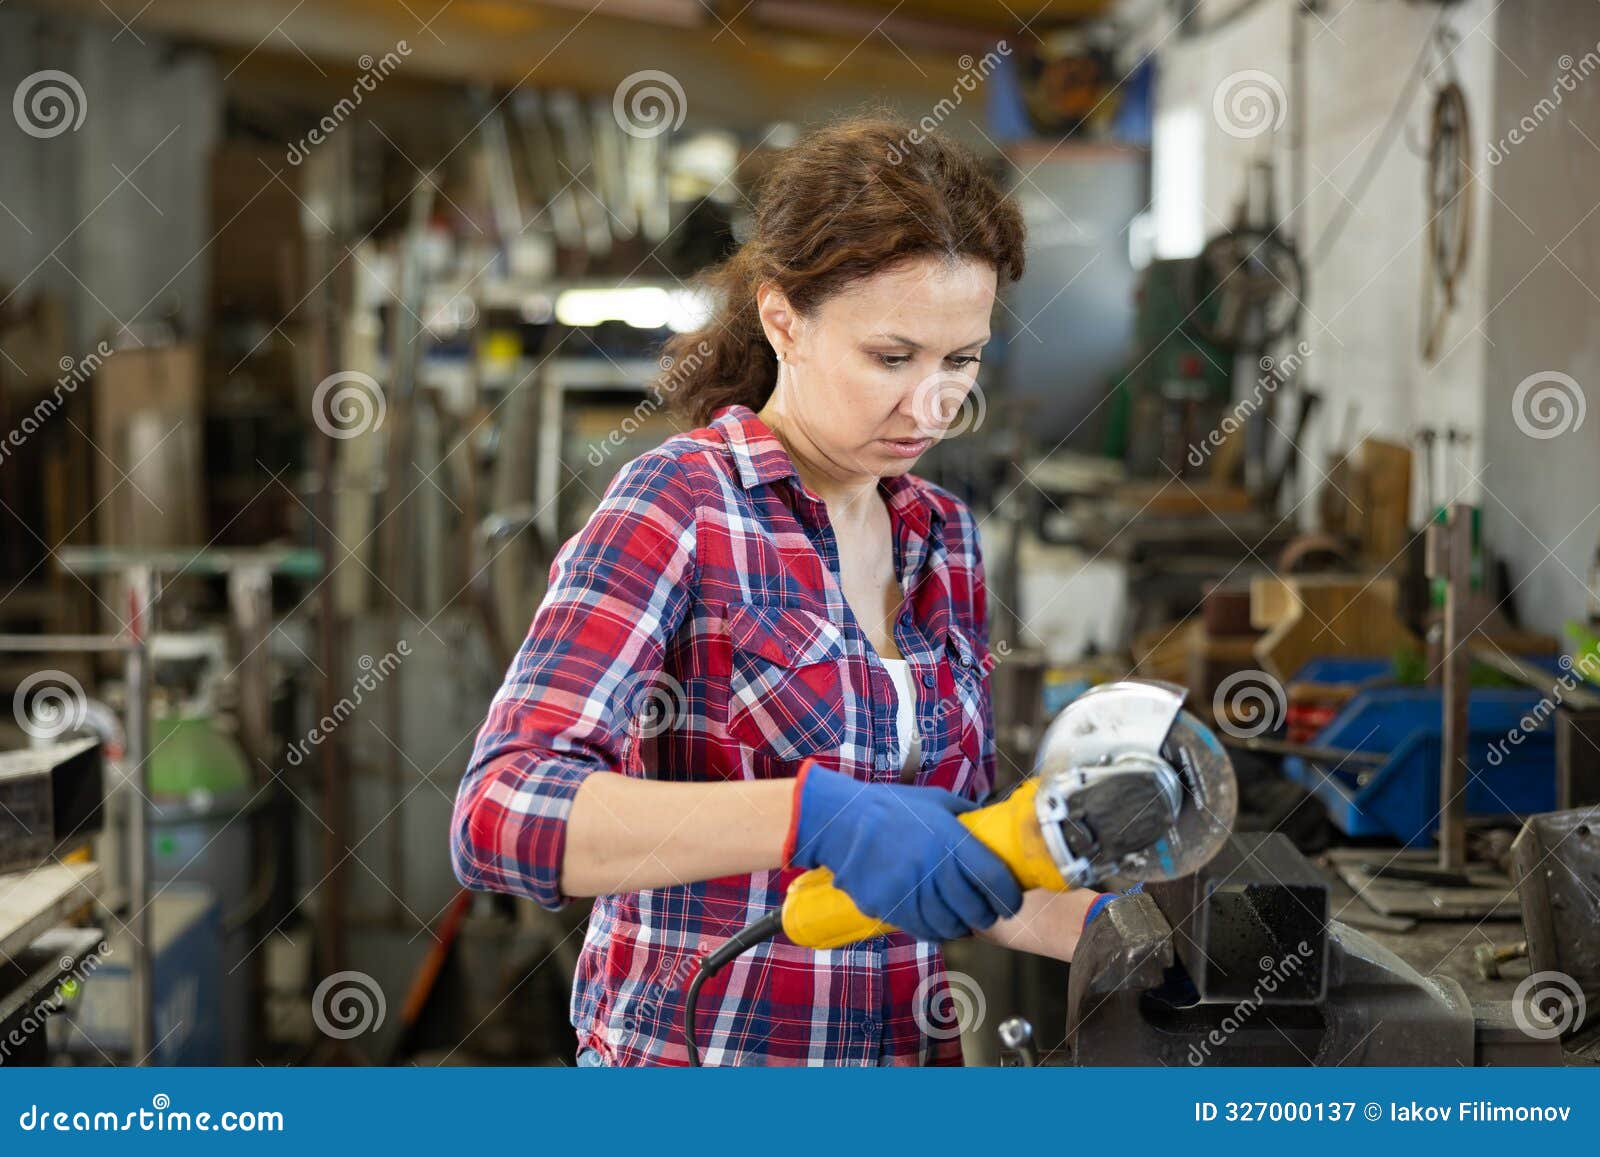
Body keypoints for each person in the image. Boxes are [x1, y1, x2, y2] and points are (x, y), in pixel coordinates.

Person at [451, 113, 1102, 1066]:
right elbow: (499, 813)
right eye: (892, 357)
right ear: (782, 318)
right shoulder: (681, 505)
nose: (932, 404)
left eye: (960, 361)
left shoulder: (943, 538)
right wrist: (808, 816)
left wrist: (1128, 931)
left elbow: (954, 859)